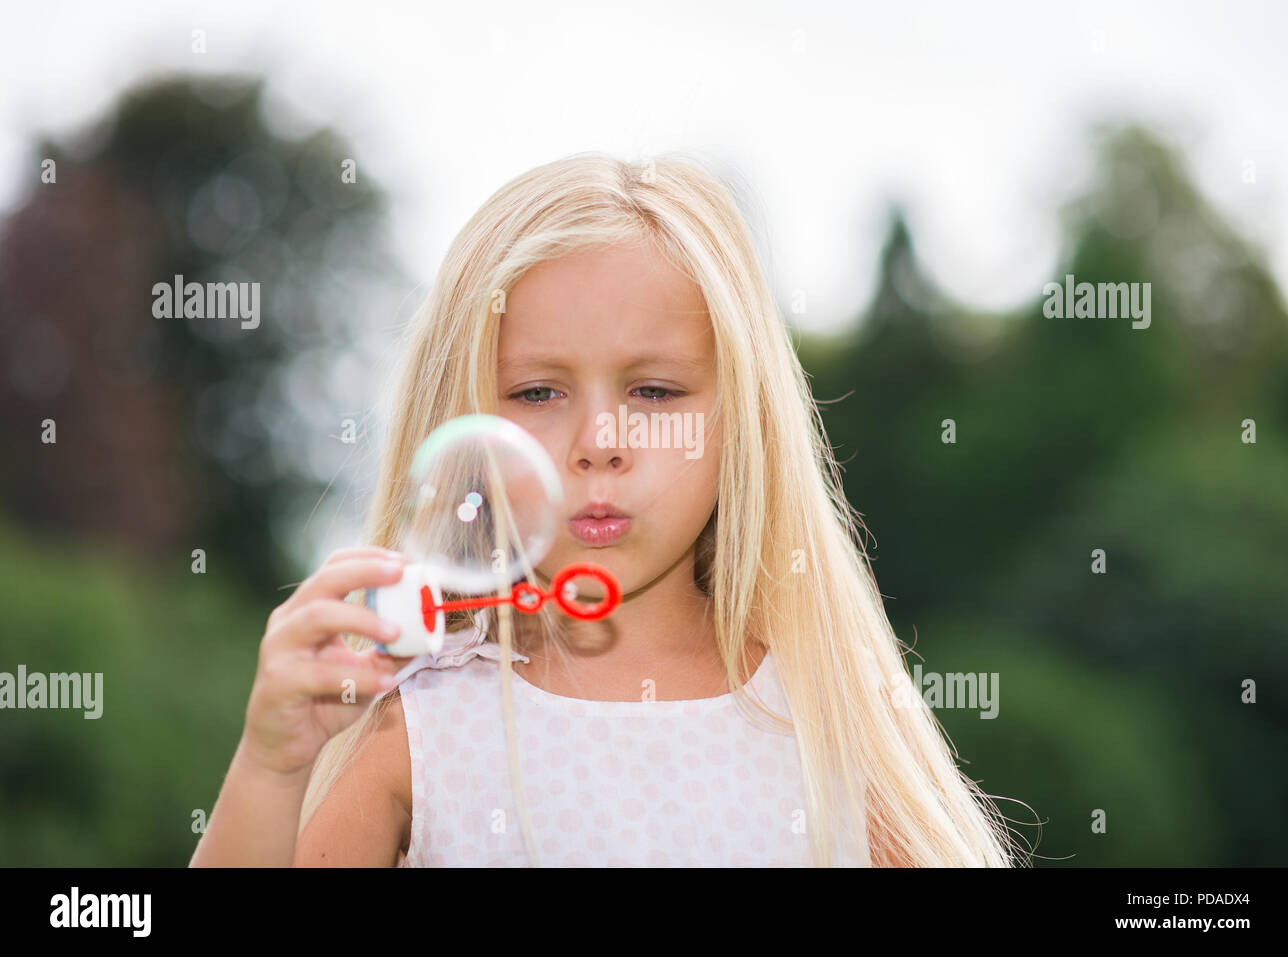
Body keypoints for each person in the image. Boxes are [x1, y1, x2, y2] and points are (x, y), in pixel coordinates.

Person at [190, 152, 1024, 867]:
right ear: (465, 421)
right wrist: (272, 766)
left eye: (654, 390)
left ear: (741, 423)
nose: (600, 440)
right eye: (538, 391)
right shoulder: (424, 724)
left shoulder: (827, 726)